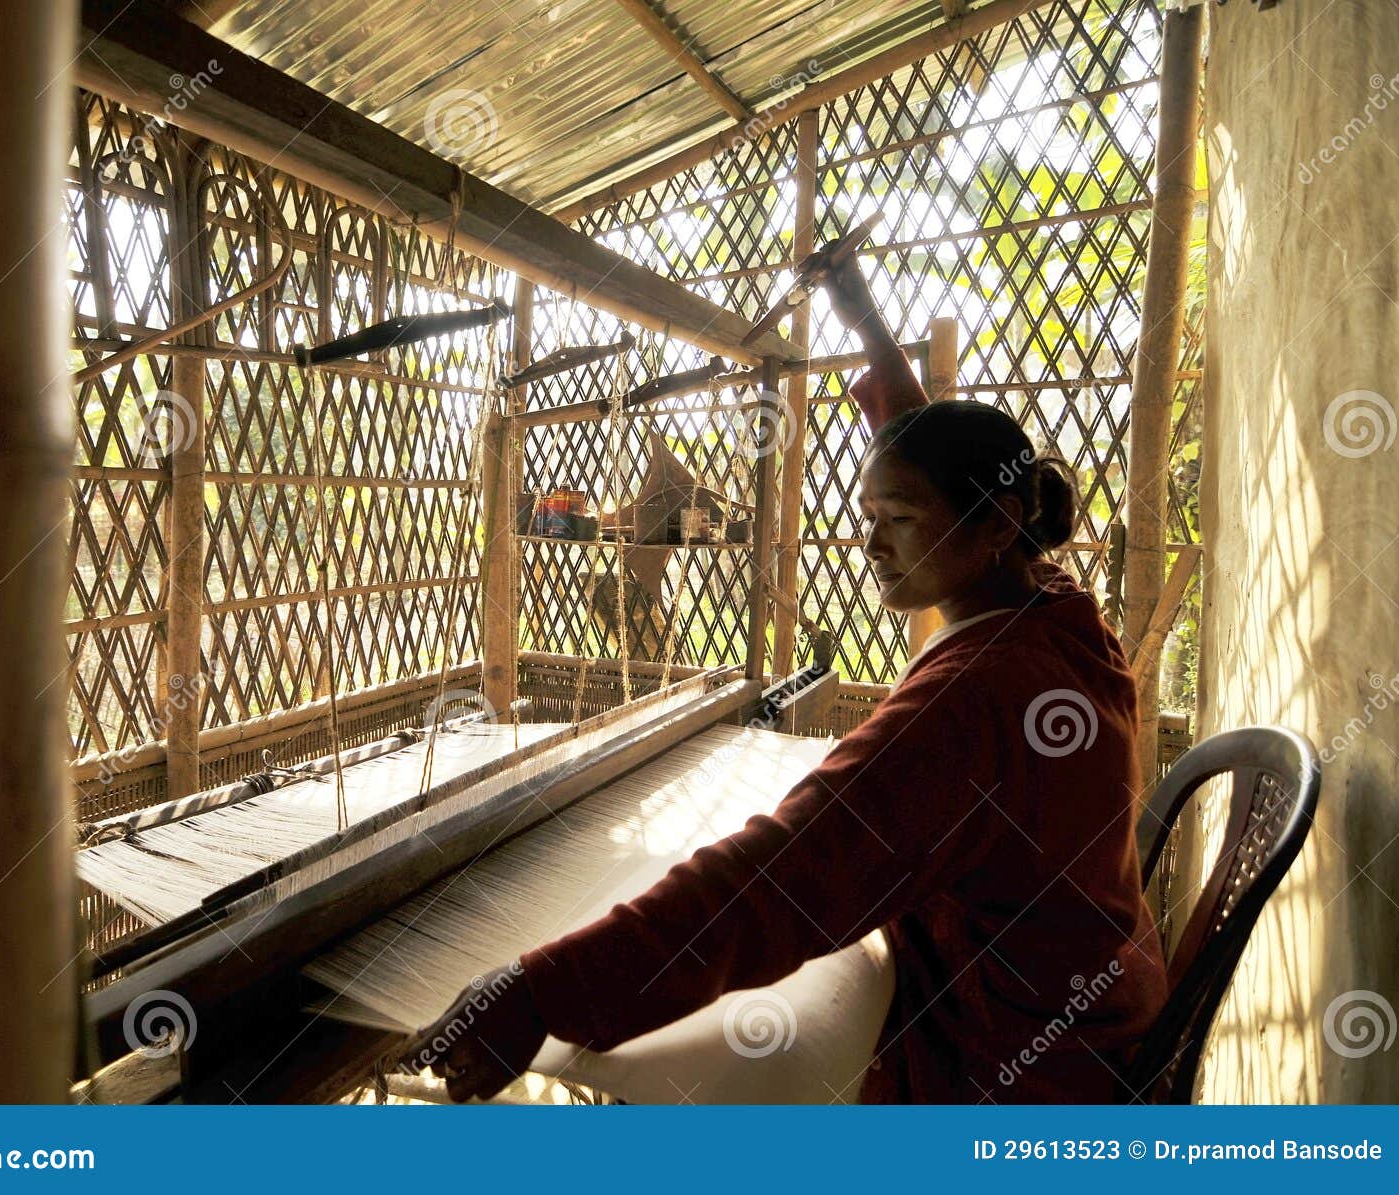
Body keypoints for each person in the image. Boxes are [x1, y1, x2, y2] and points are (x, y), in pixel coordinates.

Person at [399, 260, 1168, 1104]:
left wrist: (543, 986)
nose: (872, 542)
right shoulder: (1053, 607)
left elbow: (784, 872)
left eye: (899, 520)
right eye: (869, 516)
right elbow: (937, 449)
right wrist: (867, 321)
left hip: (1018, 1061)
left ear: (999, 520)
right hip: (1097, 990)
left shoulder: (974, 697)